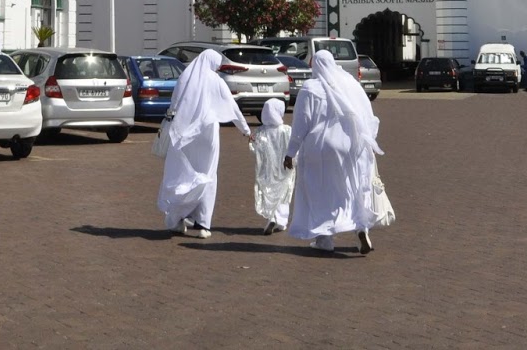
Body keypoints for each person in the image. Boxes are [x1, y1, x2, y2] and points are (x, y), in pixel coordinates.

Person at [284, 49, 382, 254]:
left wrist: (290, 152)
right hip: (350, 144)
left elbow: (301, 124)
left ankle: (324, 239)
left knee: (319, 190)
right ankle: (360, 227)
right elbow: (367, 113)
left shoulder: (310, 88)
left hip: (320, 147)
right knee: (350, 187)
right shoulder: (349, 84)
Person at [157, 49, 251, 238]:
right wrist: (246, 130)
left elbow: (174, 105)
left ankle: (179, 218)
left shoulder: (185, 77)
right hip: (208, 134)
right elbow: (232, 108)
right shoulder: (215, 80)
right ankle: (203, 224)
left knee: (184, 176)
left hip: (184, 135)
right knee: (208, 175)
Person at [250, 98, 295, 234]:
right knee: (284, 193)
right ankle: (281, 221)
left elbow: (254, 148)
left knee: (269, 192)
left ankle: (273, 217)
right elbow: (294, 148)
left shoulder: (260, 131)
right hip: (284, 169)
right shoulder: (286, 130)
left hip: (267, 170)